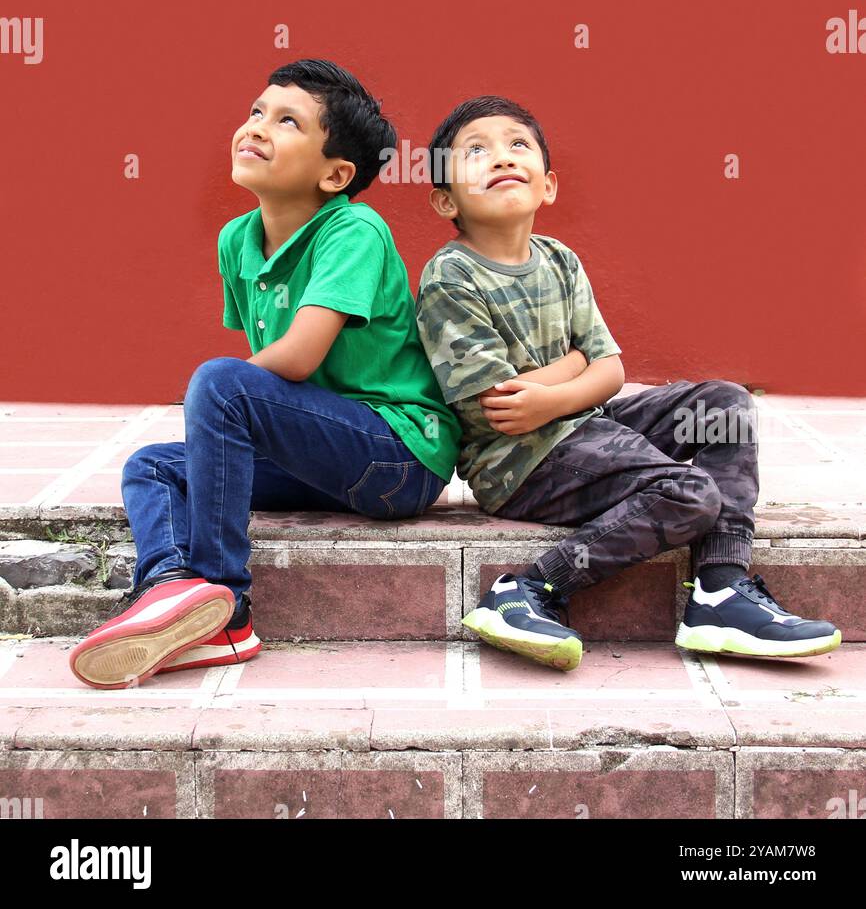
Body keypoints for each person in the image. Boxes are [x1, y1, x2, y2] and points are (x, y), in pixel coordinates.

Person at [414, 94, 842, 672]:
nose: (502, 157)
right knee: (688, 492)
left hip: (581, 426)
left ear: (549, 185)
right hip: (519, 464)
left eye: (519, 145)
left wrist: (563, 387)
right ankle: (527, 590)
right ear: (444, 197)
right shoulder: (451, 274)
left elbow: (611, 370)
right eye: (475, 151)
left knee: (727, 406)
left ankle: (718, 590)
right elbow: (501, 410)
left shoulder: (560, 260)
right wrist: (573, 367)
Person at [69, 59, 461, 689]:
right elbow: (270, 387)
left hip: (397, 458)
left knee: (221, 383)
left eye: (286, 121)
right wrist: (221, 409)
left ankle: (227, 603)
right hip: (321, 455)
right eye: (256, 112)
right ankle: (173, 590)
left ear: (336, 174)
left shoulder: (353, 228)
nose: (256, 127)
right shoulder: (237, 239)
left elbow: (298, 357)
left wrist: (218, 400)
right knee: (152, 465)